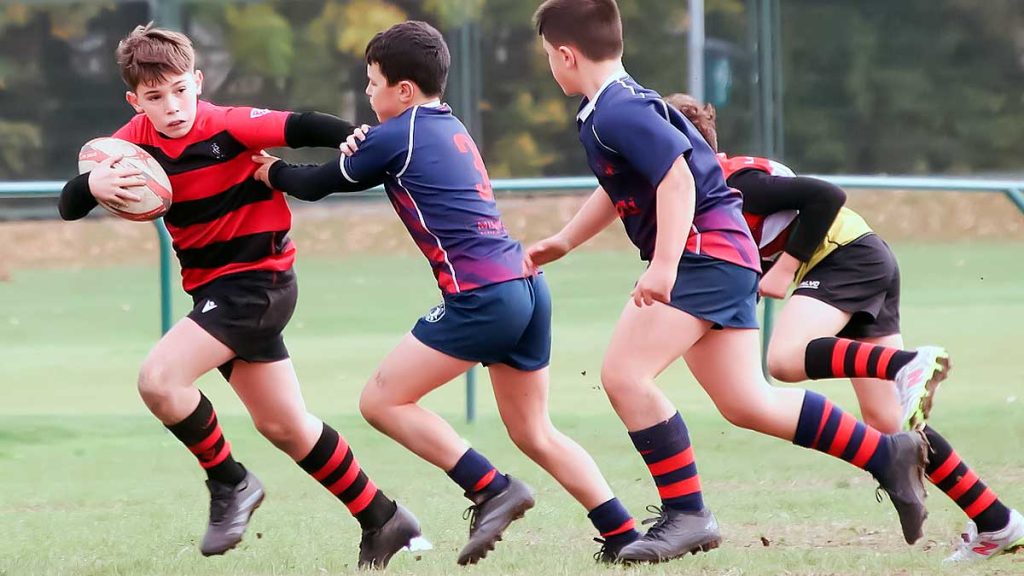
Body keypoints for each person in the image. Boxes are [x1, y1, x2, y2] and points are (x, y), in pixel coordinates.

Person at [529, 0, 931, 563]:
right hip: (726, 254)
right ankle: (887, 455)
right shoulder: (622, 103)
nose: (550, 64)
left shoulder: (617, 110)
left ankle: (688, 513)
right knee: (746, 402)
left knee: (624, 376)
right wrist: (565, 241)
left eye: (549, 55)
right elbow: (629, 180)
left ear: (566, 55)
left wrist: (665, 265)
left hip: (702, 254)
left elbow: (673, 178)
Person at [252, 20, 640, 565]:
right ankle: (622, 533)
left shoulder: (398, 133)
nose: (367, 94)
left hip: (483, 296)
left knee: (382, 401)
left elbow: (319, 184)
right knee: (534, 430)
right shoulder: (445, 123)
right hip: (526, 286)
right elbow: (367, 160)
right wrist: (363, 140)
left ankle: (490, 487)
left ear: (403, 90)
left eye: (372, 83)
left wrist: (271, 172)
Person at [58, 23, 419, 569]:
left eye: (180, 89)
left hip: (258, 284)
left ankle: (232, 484)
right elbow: (68, 203)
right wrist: (92, 187)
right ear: (136, 100)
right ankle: (384, 518)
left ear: (198, 81)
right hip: (217, 294)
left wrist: (356, 135)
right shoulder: (130, 143)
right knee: (285, 425)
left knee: (160, 380)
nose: (173, 106)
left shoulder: (226, 127)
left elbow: (300, 124)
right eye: (156, 97)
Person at [666, 91, 1024, 565]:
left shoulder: (736, 183)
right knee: (890, 425)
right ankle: (997, 521)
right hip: (864, 258)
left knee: (785, 360)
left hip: (847, 258)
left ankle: (908, 364)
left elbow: (826, 196)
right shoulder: (702, 196)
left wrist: (783, 267)